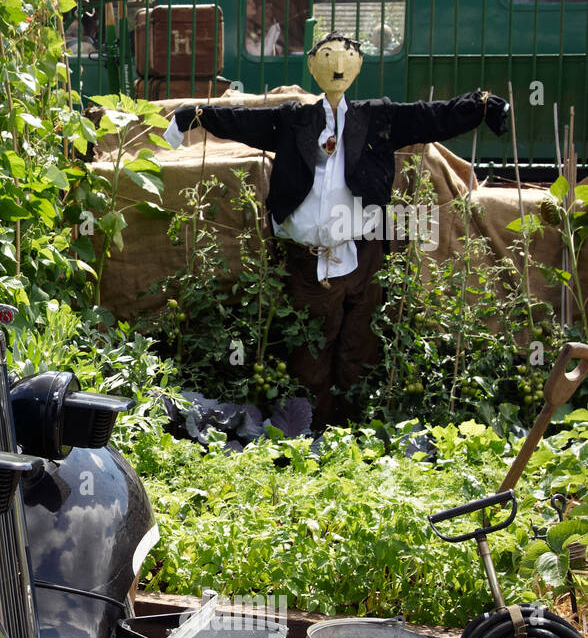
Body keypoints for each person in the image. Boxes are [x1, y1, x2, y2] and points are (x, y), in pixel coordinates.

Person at [163, 32, 510, 429]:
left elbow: (430, 115)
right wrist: (194, 115)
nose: (337, 65)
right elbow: (243, 119)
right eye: (327, 57)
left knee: (359, 346)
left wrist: (479, 107)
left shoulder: (378, 116)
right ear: (313, 65)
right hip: (305, 258)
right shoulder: (293, 118)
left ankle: (352, 429)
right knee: (310, 350)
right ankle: (310, 431)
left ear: (358, 64)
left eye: (345, 57)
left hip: (363, 252)